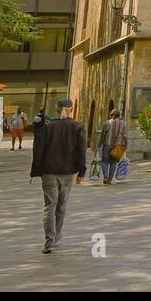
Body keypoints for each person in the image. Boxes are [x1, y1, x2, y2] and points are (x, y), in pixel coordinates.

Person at [29, 98, 87, 254]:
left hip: (48, 171)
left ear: (56, 110)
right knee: (61, 206)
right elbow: (81, 151)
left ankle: (49, 240)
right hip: (68, 172)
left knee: (49, 206)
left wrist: (38, 169)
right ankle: (56, 237)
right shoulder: (77, 127)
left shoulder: (47, 127)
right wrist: (82, 171)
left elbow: (38, 147)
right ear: (71, 110)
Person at [96, 107, 128, 185]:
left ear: (111, 115)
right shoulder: (123, 123)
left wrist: (99, 144)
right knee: (113, 162)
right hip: (118, 146)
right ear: (119, 115)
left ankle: (105, 176)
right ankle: (110, 180)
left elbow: (102, 135)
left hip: (107, 145)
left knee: (105, 161)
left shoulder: (107, 123)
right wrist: (125, 146)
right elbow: (125, 136)